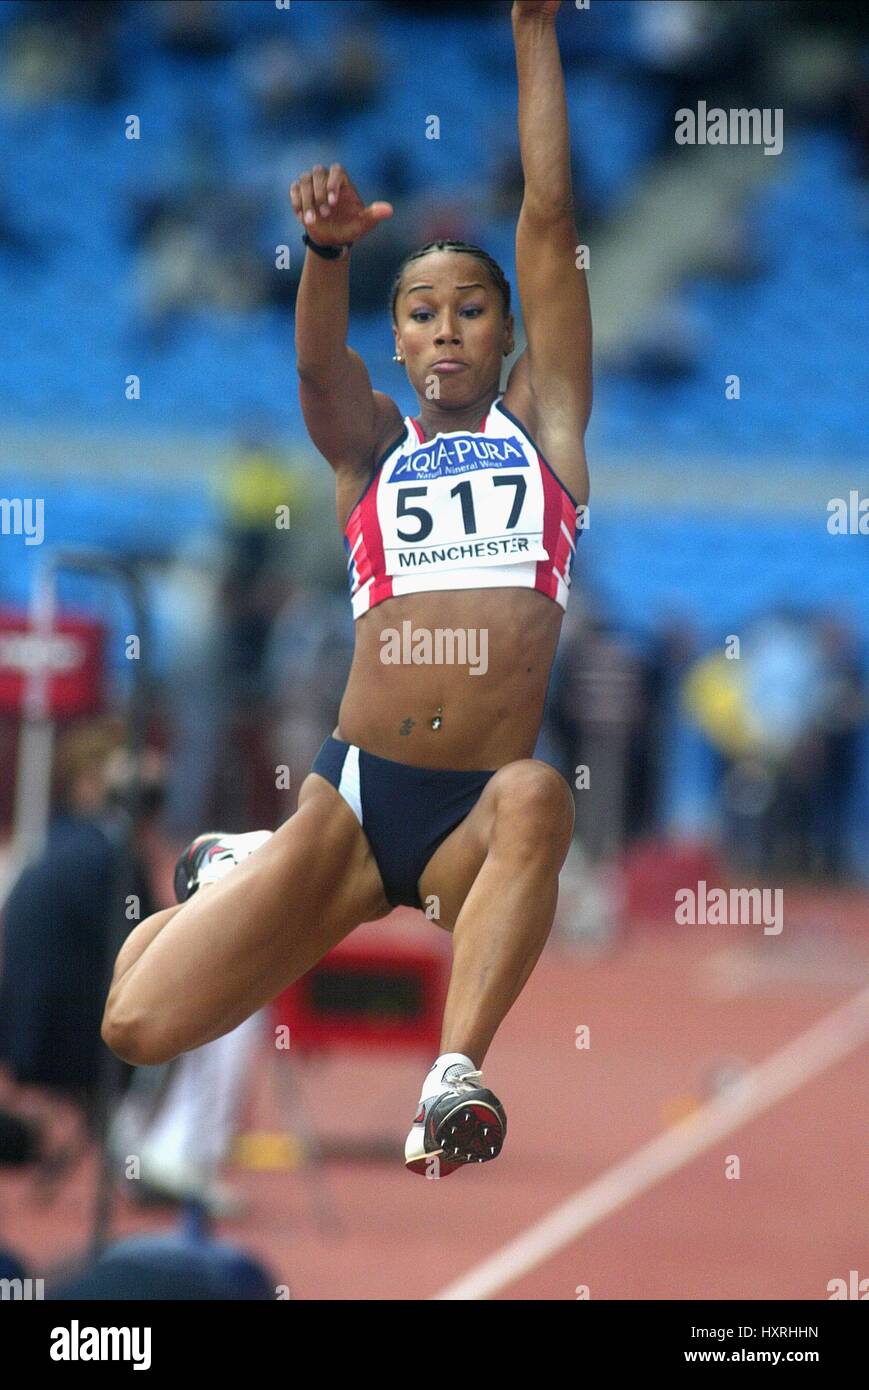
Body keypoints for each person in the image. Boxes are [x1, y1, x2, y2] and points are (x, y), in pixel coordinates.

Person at [102, 0, 591, 1179]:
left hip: (474, 812)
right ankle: (246, 865)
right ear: (401, 339)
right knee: (136, 1022)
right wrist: (323, 255)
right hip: (357, 799)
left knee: (538, 797)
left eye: (470, 311)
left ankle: (452, 1074)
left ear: (505, 333)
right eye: (421, 313)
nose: (446, 331)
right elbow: (317, 366)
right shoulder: (372, 451)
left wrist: (533, 30)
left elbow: (546, 218)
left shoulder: (545, 430)